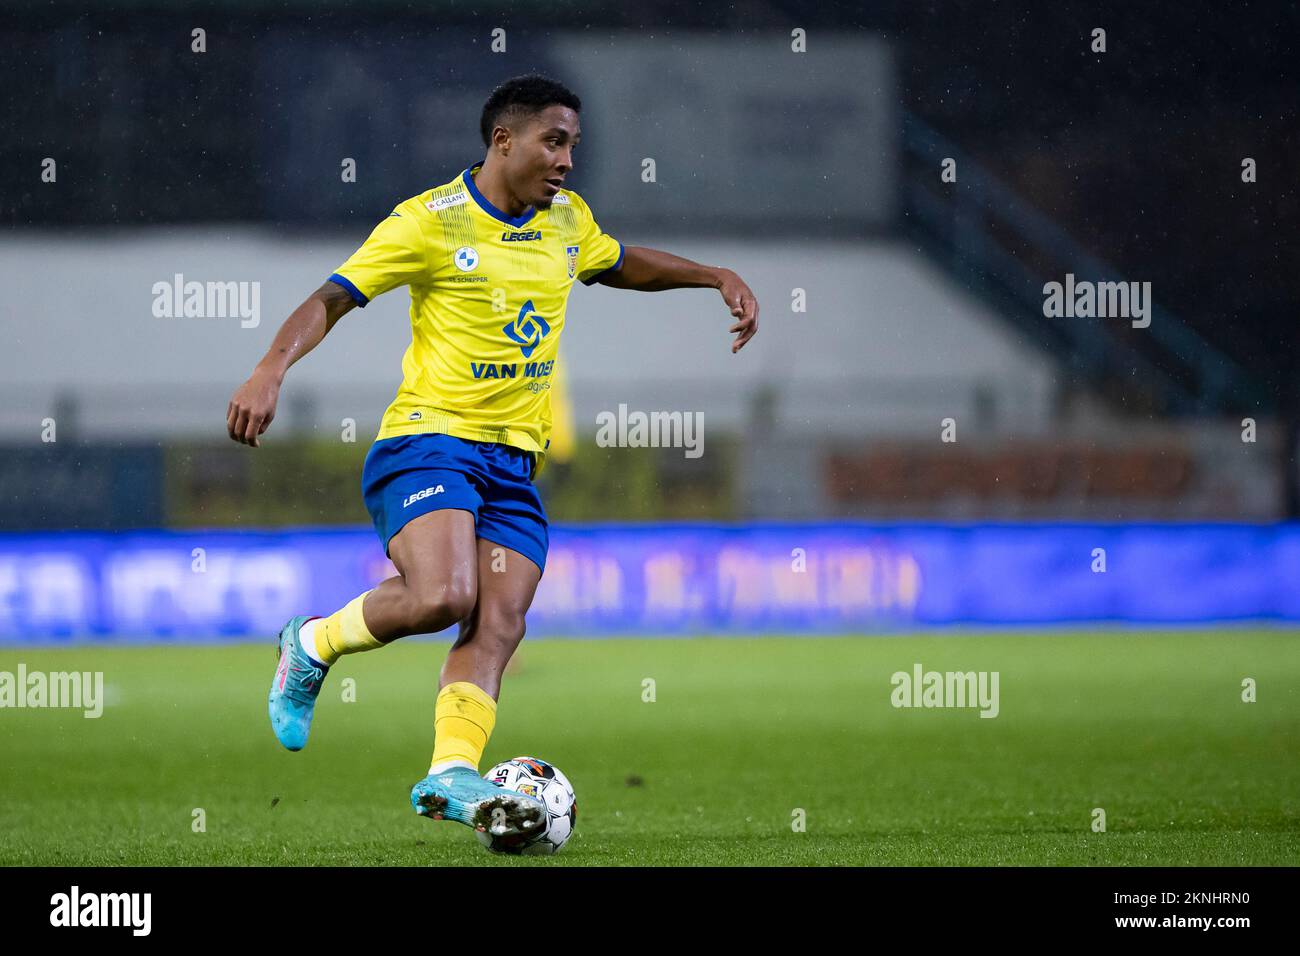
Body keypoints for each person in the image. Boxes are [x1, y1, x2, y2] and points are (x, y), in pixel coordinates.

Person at [227, 73, 759, 842]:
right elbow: (332, 297)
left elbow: (618, 263)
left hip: (514, 466)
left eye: (573, 144)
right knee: (444, 593)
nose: (568, 160)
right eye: (554, 141)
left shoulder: (567, 220)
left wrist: (714, 276)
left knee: (497, 621)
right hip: (428, 443)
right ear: (502, 141)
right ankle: (310, 643)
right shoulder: (429, 221)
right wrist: (271, 366)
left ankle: (449, 771)